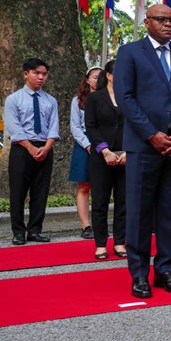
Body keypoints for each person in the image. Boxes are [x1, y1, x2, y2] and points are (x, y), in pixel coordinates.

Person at [115, 4, 171, 299]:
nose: (168, 24)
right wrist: (152, 135)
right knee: (139, 211)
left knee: (168, 211)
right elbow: (126, 98)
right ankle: (139, 274)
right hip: (143, 145)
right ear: (147, 22)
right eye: (161, 20)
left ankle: (165, 270)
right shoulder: (130, 53)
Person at [4, 58, 60, 245]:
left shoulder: (50, 101)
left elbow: (54, 126)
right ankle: (18, 232)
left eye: (44, 74)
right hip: (22, 149)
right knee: (18, 191)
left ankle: (35, 230)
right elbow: (14, 128)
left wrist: (47, 147)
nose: (41, 77)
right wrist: (30, 148)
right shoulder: (14, 99)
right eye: (37, 73)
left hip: (45, 148)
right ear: (26, 73)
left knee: (40, 191)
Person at [85, 60, 126, 260]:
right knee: (100, 201)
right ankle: (101, 243)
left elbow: (136, 125)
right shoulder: (95, 98)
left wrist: (128, 151)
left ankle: (120, 242)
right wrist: (105, 151)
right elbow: (91, 127)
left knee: (124, 202)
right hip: (102, 156)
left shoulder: (130, 97)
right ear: (109, 75)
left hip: (126, 156)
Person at [69, 66, 101, 240]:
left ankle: (99, 223)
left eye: (100, 77)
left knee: (102, 186)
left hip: (104, 143)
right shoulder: (78, 100)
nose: (97, 80)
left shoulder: (110, 98)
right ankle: (86, 225)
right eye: (94, 77)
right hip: (84, 145)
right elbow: (75, 127)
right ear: (87, 80)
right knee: (84, 186)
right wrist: (88, 146)